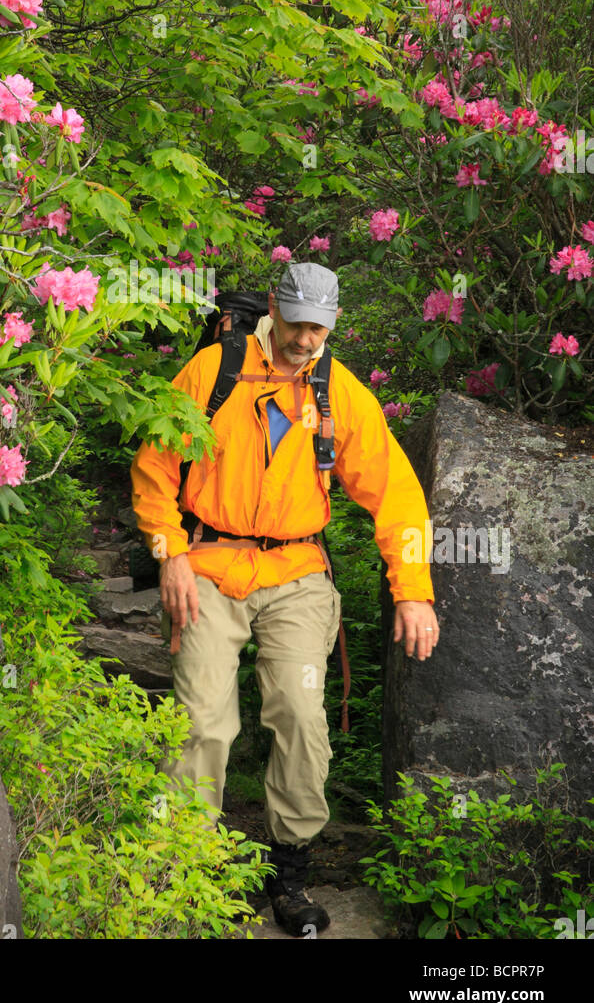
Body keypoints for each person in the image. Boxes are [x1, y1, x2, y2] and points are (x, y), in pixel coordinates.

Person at [130, 261, 438, 935]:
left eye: (319, 329)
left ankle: (288, 871)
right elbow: (155, 468)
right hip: (206, 567)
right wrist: (169, 556)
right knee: (203, 721)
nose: (306, 340)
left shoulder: (338, 390)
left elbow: (398, 496)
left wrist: (412, 592)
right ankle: (182, 872)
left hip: (297, 574)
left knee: (300, 714)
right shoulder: (212, 371)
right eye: (297, 325)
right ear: (275, 308)